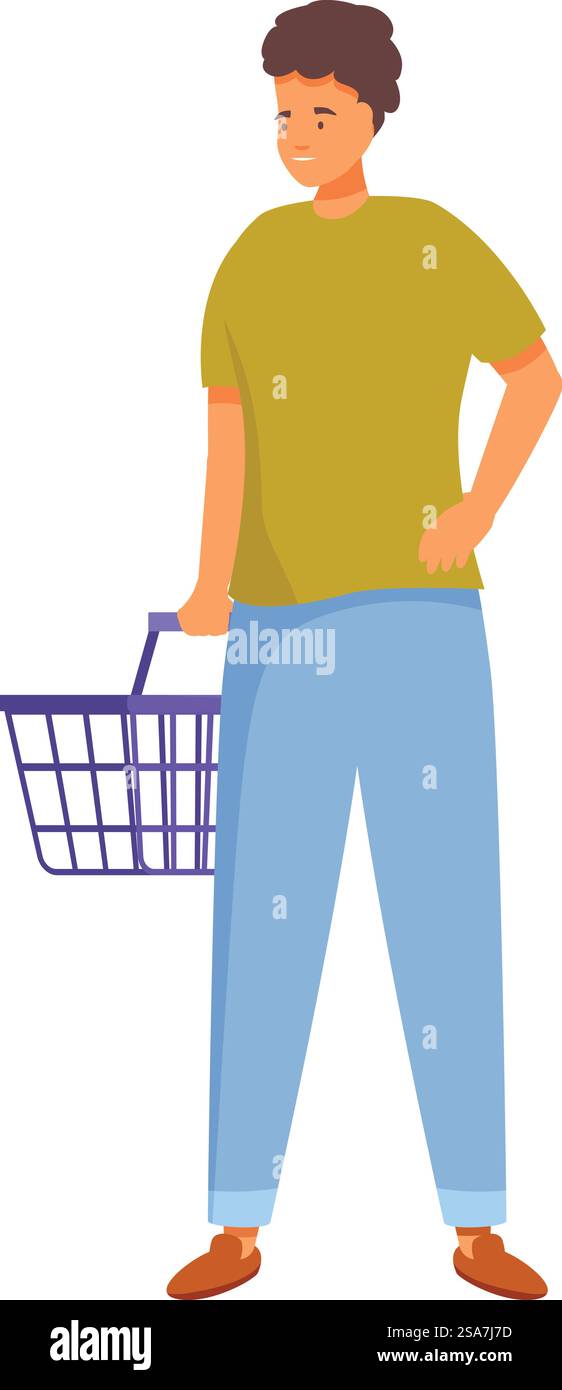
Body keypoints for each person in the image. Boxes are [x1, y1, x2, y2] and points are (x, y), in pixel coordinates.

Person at [169, 0, 560, 1300]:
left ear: (374, 116)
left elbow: (532, 370)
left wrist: (476, 510)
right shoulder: (247, 262)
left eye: (319, 113)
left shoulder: (430, 245)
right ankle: (236, 1221)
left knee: (445, 911)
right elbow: (229, 443)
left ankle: (474, 1222)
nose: (295, 135)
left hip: (418, 622)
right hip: (277, 635)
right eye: (281, 114)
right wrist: (210, 586)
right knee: (260, 920)